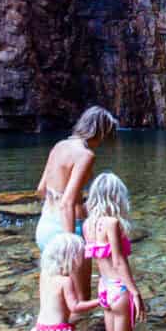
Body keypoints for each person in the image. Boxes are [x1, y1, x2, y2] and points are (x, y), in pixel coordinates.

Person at [35, 106, 118, 298]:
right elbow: (67, 203)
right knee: (81, 299)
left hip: (45, 226)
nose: (103, 141)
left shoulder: (59, 146)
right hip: (67, 231)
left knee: (57, 296)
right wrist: (70, 242)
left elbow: (41, 189)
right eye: (106, 135)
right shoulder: (85, 155)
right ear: (100, 131)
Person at [83, 172, 146, 331]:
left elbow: (99, 258)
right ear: (116, 196)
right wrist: (135, 293)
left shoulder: (87, 225)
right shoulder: (112, 223)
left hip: (103, 288)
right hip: (119, 289)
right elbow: (119, 262)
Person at [28, 233, 99, 331]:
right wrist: (99, 301)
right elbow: (76, 307)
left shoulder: (44, 274)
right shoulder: (65, 281)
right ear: (71, 259)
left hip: (41, 330)